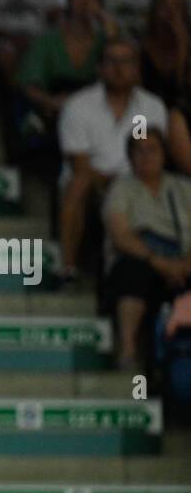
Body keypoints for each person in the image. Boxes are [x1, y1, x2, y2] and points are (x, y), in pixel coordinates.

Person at [57, 36, 189, 280]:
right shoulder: (79, 105)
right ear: (99, 67)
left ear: (137, 68)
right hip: (93, 180)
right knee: (78, 184)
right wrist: (114, 182)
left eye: (126, 61)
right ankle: (67, 266)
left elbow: (148, 150)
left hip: (138, 180)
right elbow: (80, 165)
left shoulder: (150, 107)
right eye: (112, 61)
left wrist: (129, 181)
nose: (119, 68)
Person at [103, 129, 191, 371]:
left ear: (164, 154)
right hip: (142, 255)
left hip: (182, 255)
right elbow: (120, 235)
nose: (146, 156)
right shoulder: (121, 188)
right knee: (131, 273)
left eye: (152, 149)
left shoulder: (183, 188)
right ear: (130, 157)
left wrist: (184, 264)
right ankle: (129, 350)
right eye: (138, 151)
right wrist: (157, 261)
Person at [17, 0, 115, 135]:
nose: (85, 2)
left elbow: (119, 74)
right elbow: (28, 86)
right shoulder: (47, 40)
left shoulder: (106, 41)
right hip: (53, 109)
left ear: (100, 4)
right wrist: (51, 101)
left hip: (96, 110)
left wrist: (109, 29)